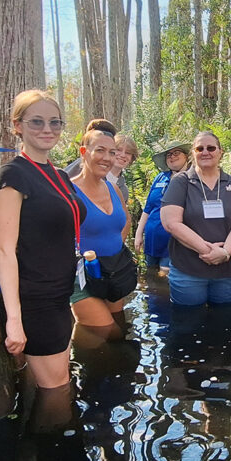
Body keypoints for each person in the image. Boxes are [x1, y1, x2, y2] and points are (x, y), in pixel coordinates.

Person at [0, 89, 85, 388]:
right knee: (56, 389)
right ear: (17, 125)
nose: (47, 129)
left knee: (58, 381)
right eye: (37, 122)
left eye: (55, 122)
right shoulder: (14, 174)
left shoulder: (59, 175)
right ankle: (52, 434)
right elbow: (5, 250)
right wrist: (14, 320)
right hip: (36, 299)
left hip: (61, 294)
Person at [160, 131, 231, 305]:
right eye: (199, 148)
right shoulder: (181, 182)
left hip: (227, 271)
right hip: (188, 271)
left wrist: (225, 253)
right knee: (187, 322)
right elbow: (171, 223)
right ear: (193, 154)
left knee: (225, 320)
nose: (205, 152)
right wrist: (208, 251)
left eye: (210, 148)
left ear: (220, 152)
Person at [69, 124, 136, 342]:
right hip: (82, 277)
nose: (106, 158)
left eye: (112, 152)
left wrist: (118, 249)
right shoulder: (68, 191)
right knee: (109, 332)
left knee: (119, 325)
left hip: (113, 273)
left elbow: (126, 219)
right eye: (99, 150)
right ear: (83, 152)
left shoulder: (113, 188)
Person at [134, 140, 190, 276]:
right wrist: (138, 233)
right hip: (152, 241)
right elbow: (148, 208)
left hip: (175, 243)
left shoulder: (192, 179)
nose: (172, 156)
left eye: (177, 153)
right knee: (152, 280)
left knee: (166, 281)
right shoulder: (160, 178)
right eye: (169, 154)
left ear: (187, 156)